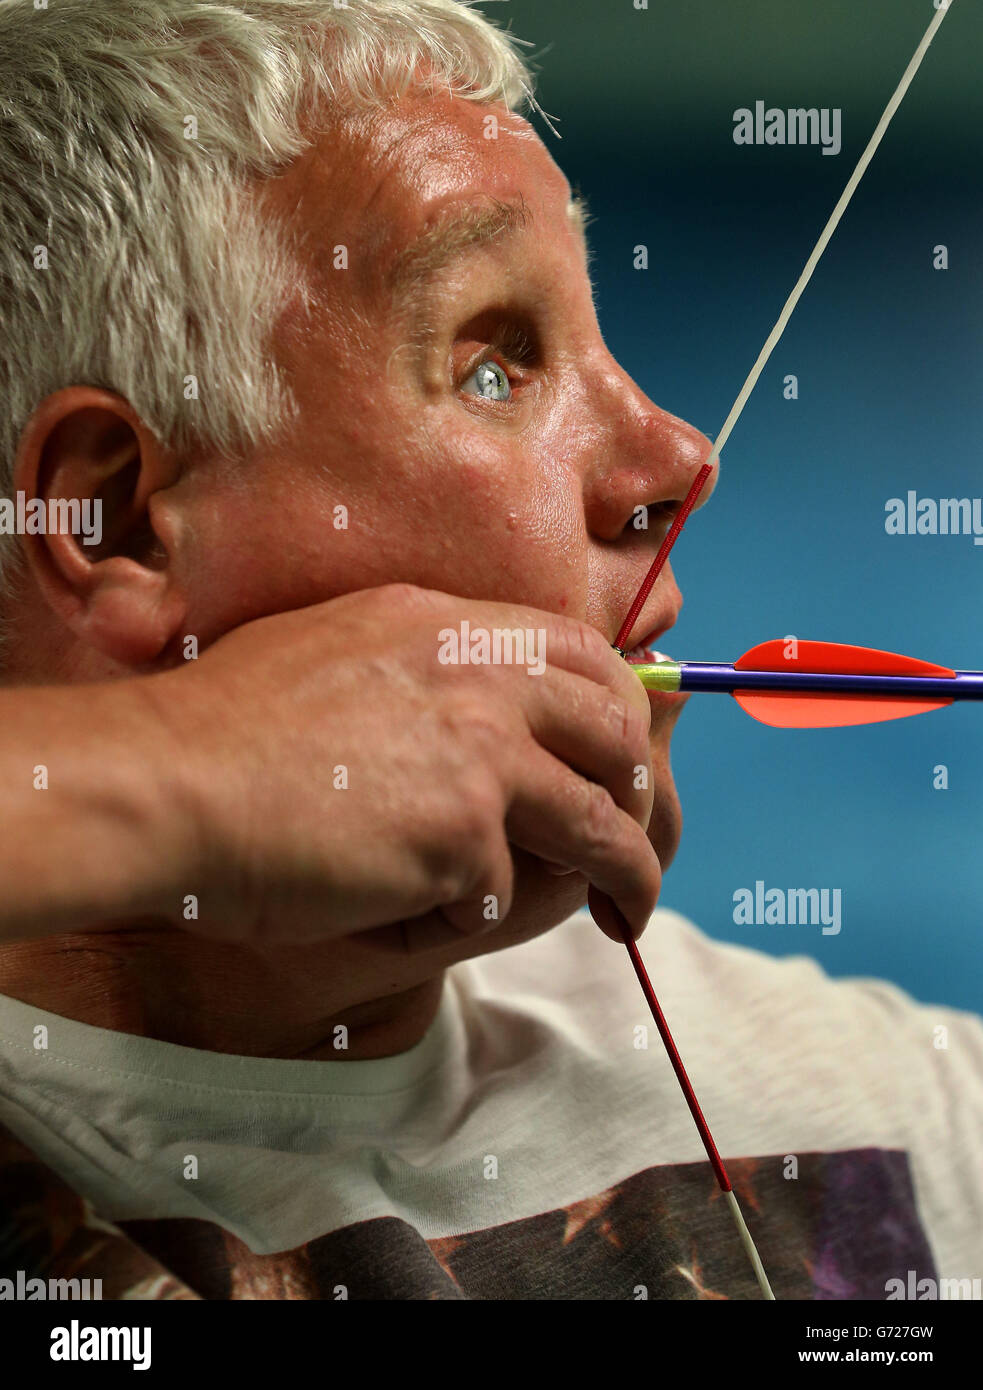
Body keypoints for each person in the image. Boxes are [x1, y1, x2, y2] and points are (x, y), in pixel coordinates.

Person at [0, 0, 979, 1302]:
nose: (676, 462)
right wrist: (187, 772)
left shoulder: (910, 1099)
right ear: (114, 517)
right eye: (496, 365)